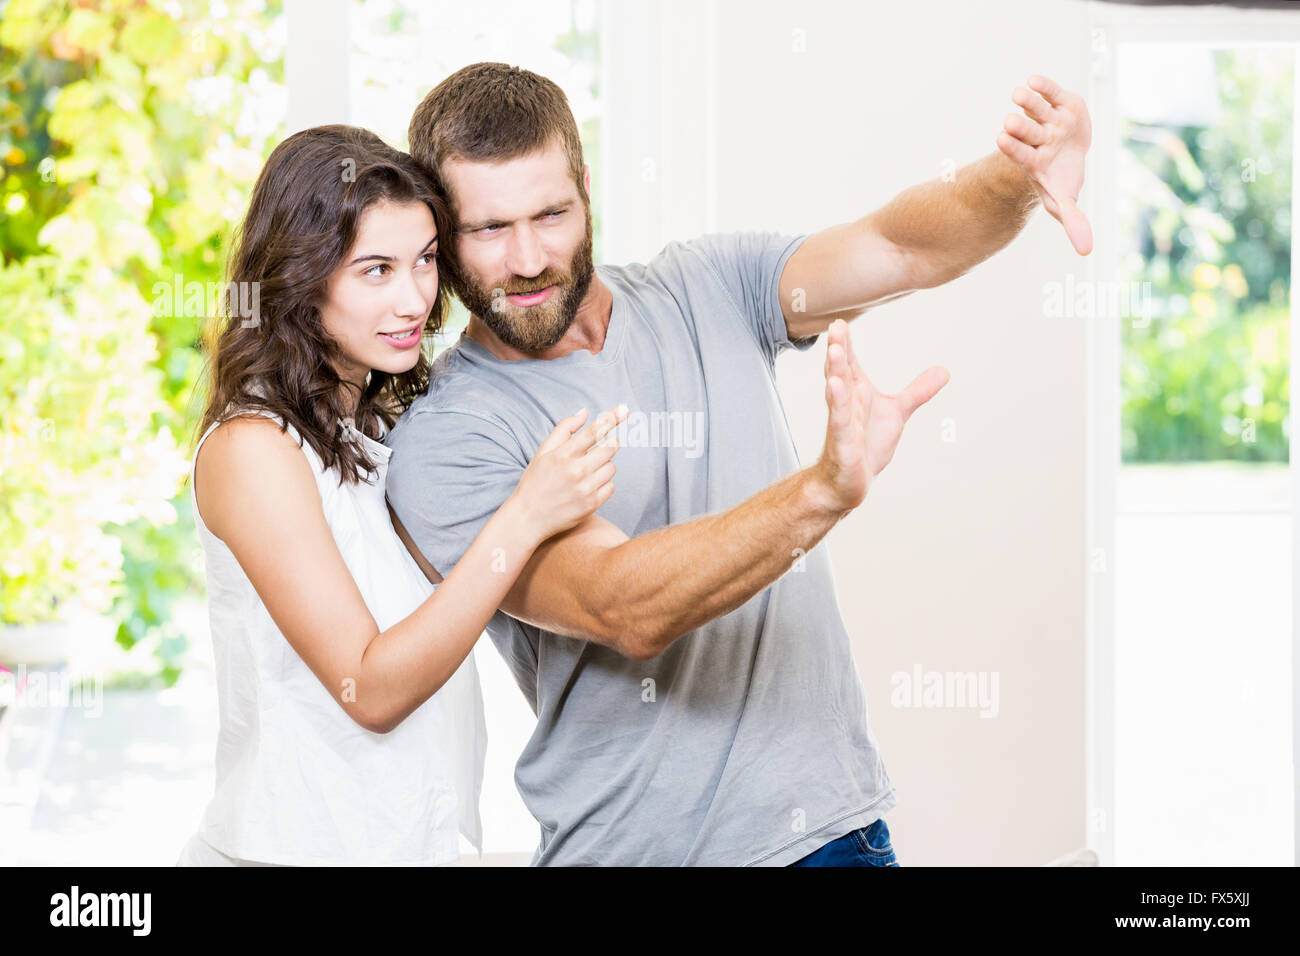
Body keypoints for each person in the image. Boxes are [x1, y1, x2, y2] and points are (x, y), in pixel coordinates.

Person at [385, 63, 1091, 867]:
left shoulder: (706, 286)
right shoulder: (448, 436)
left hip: (830, 838)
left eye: (551, 214)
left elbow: (900, 245)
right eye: (488, 230)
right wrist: (821, 493)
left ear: (586, 186)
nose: (527, 258)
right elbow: (622, 608)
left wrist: (1018, 177)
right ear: (439, 230)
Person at [176, 124, 627, 866]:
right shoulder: (254, 449)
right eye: (375, 270)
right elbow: (371, 688)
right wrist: (525, 514)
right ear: (299, 278)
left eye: (424, 261)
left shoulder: (375, 429)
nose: (416, 296)